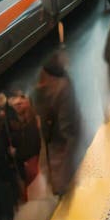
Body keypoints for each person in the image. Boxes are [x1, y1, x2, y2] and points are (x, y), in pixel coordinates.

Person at [33, 51, 80, 195]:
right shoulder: (55, 87)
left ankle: (62, 190)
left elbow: (67, 131)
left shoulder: (61, 90)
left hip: (60, 143)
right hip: (56, 142)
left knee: (63, 183)